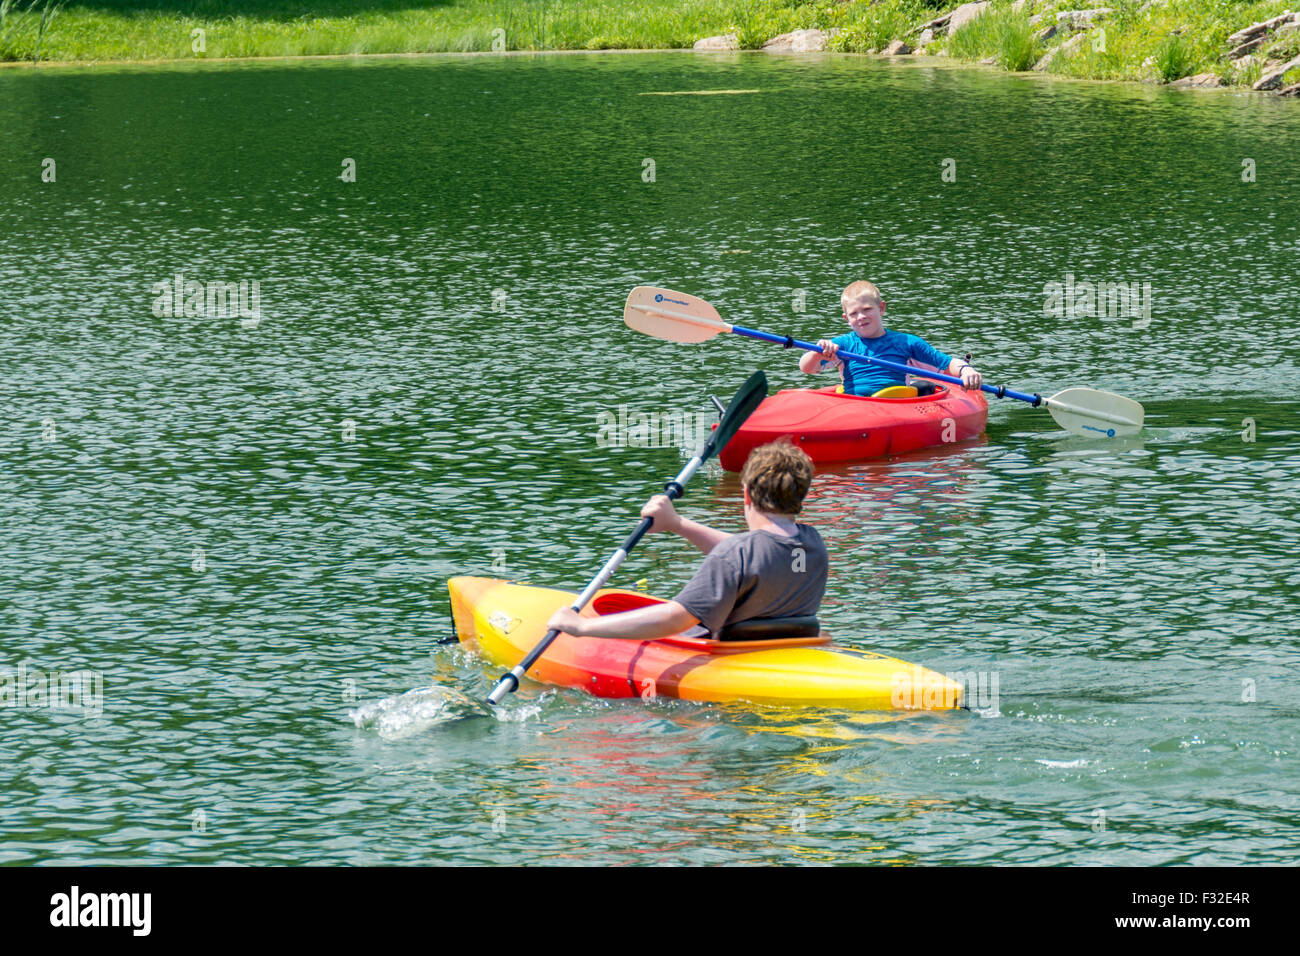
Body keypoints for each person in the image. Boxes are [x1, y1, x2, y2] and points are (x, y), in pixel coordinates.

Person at [546, 442, 827, 641]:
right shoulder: (811, 545)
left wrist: (580, 627)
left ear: (747, 496)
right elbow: (759, 557)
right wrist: (677, 524)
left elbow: (677, 618)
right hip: (794, 645)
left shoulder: (736, 555)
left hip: (730, 659)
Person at [799, 280, 984, 397]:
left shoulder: (906, 343)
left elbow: (947, 363)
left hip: (896, 405)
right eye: (854, 313)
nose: (861, 317)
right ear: (847, 319)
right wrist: (817, 353)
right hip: (854, 405)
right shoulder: (842, 345)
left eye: (867, 309)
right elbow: (806, 368)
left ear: (881, 308)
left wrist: (966, 371)